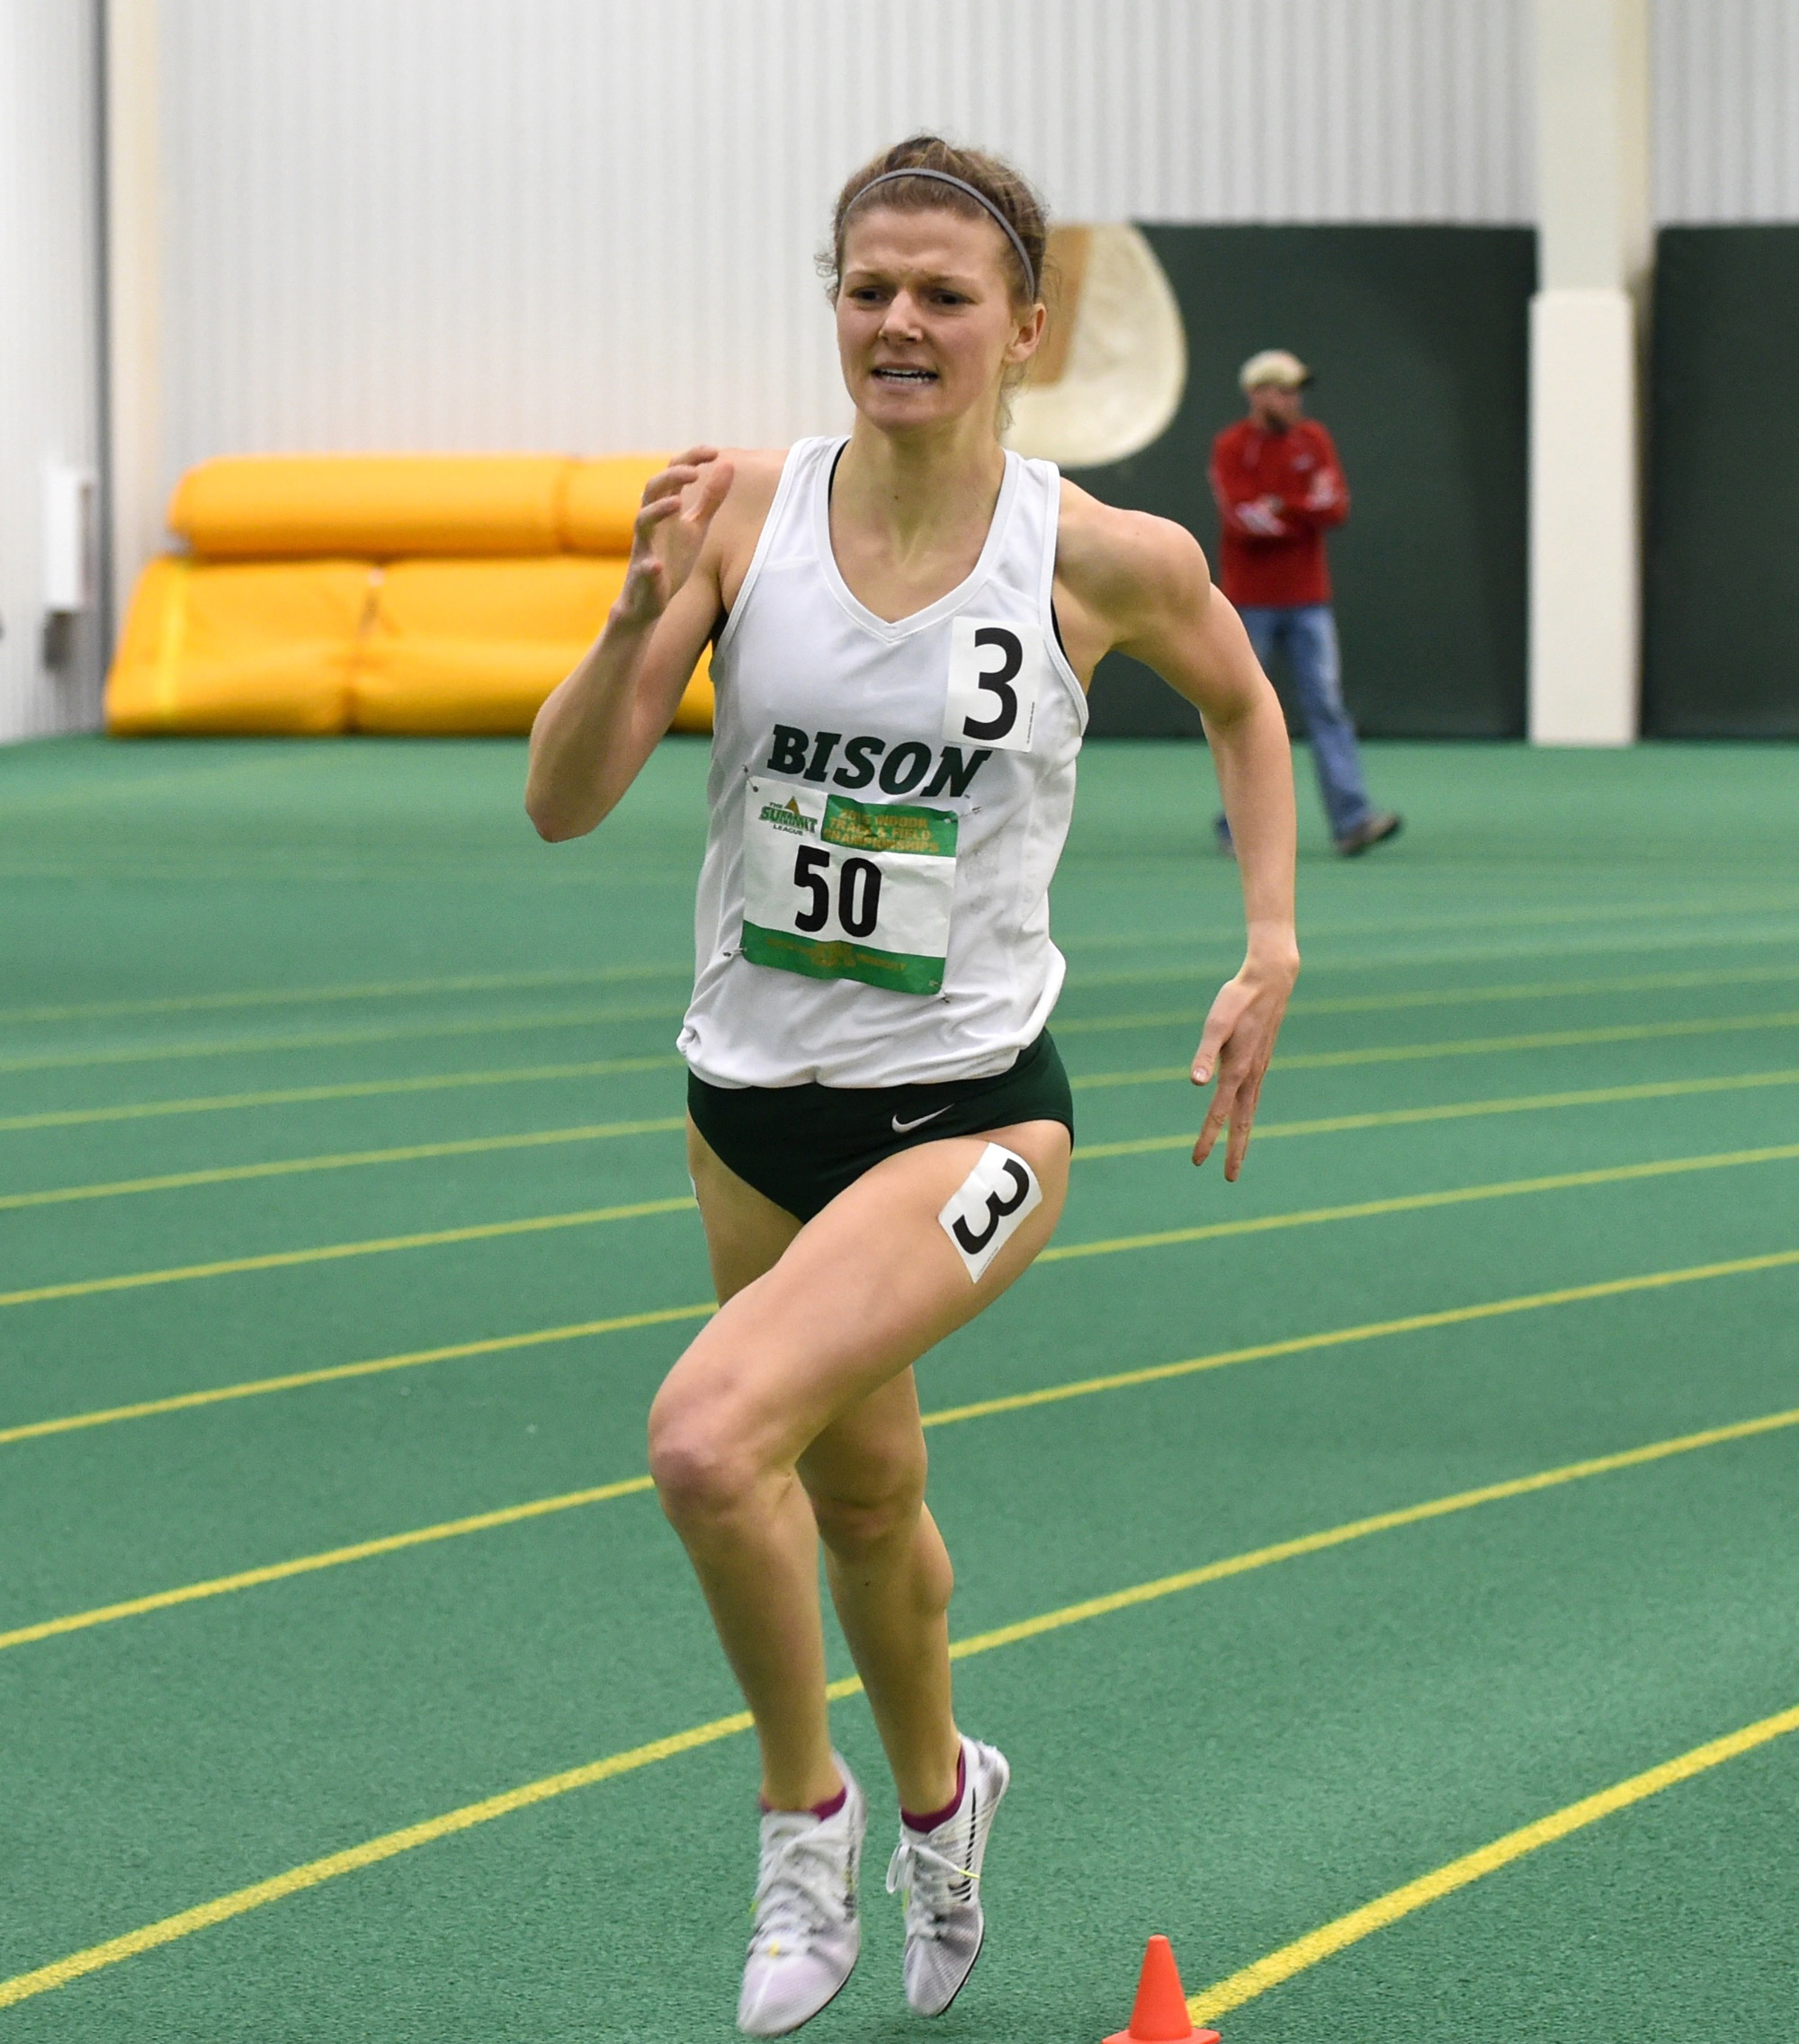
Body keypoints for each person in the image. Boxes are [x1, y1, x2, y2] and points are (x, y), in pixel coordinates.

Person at [525, 135, 1298, 2038]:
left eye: (944, 294)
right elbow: (561, 803)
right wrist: (631, 623)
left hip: (968, 1115)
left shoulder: (1099, 555)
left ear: (1023, 328)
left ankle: (808, 1820)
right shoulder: (738, 514)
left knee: (711, 1442)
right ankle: (950, 1804)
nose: (898, 321)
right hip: (746, 1104)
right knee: (864, 1498)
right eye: (867, 287)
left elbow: (1242, 698)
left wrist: (1268, 937)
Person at [1209, 349, 1401, 858]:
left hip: (1309, 601)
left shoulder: (1313, 439)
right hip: (1249, 604)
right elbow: (1242, 519)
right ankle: (1238, 824)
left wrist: (1281, 506)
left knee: (1327, 708)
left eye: (1295, 391)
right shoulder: (1232, 446)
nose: (1293, 401)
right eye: (1282, 391)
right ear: (1256, 394)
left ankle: (1352, 821)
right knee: (1243, 711)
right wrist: (1298, 510)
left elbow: (1334, 506)